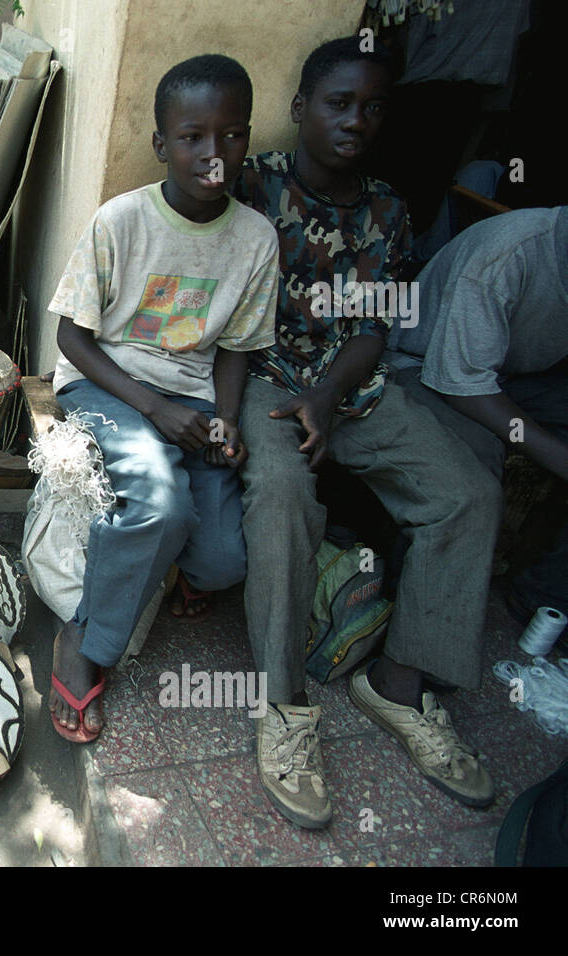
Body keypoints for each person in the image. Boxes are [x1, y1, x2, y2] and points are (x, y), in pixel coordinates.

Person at [232, 36, 503, 829]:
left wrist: (330, 392)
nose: (356, 119)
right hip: (263, 378)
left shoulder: (389, 209)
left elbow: (377, 326)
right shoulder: (255, 185)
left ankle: (400, 684)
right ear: (301, 109)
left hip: (352, 389)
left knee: (466, 494)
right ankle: (282, 708)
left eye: (372, 106)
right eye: (339, 103)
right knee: (281, 490)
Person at [47, 55, 279, 744]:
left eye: (232, 135)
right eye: (192, 137)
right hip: (107, 382)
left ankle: (174, 567)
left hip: (195, 398)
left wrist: (227, 421)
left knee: (224, 562)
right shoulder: (121, 222)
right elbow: (72, 336)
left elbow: (238, 344)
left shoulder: (255, 239)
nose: (214, 154)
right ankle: (85, 639)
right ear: (161, 144)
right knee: (158, 500)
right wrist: (152, 408)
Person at [388, 206, 568, 621]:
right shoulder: (511, 250)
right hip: (424, 366)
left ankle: (546, 597)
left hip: (507, 374)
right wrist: (560, 456)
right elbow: (464, 386)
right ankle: (416, 616)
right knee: (474, 457)